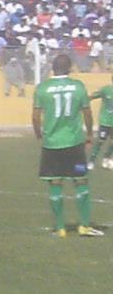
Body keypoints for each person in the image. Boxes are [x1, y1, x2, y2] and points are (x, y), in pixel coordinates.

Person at [32, 54, 102, 236]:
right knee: (81, 179)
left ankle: (60, 228)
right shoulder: (78, 86)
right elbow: (87, 112)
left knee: (55, 182)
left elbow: (36, 116)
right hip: (75, 145)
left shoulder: (42, 88)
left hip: (52, 145)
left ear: (52, 68)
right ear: (69, 67)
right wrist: (89, 134)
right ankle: (84, 225)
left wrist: (39, 134)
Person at [88, 74, 113, 170]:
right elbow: (92, 96)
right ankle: (92, 161)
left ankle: (106, 158)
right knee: (100, 141)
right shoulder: (105, 90)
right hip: (105, 121)